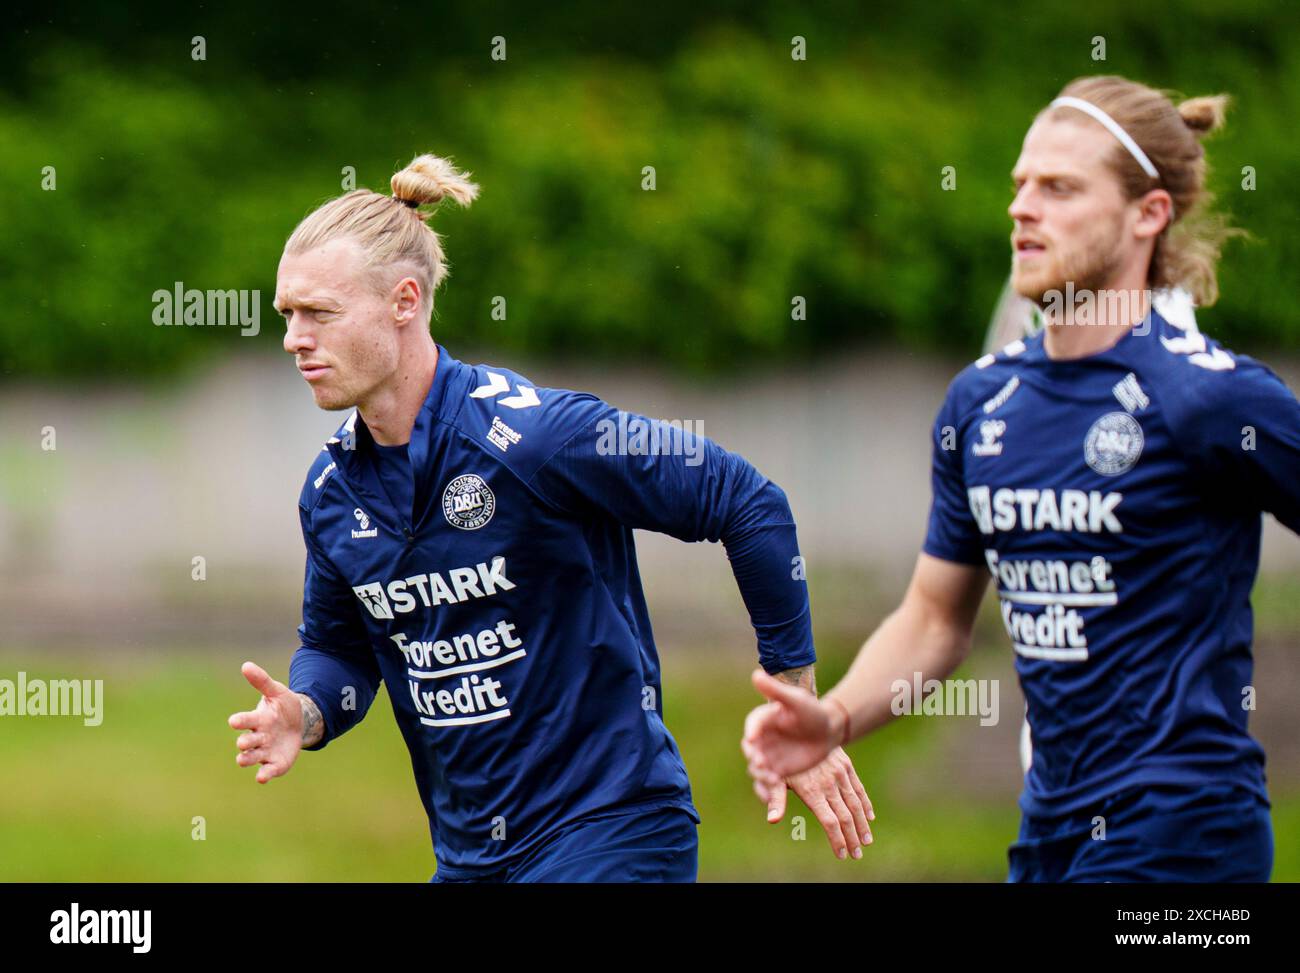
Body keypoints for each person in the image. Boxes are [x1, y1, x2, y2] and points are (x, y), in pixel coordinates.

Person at [227, 153, 872, 882]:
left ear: (404, 302)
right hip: (470, 859)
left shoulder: (536, 438)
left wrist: (795, 699)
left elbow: (746, 501)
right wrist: (307, 711)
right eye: (288, 315)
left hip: (611, 831)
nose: (295, 338)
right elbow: (339, 648)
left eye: (319, 313)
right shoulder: (331, 491)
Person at [742, 75, 1300, 882]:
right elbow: (935, 619)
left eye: (1059, 188)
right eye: (1020, 184)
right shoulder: (981, 401)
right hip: (1048, 834)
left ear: (1148, 214)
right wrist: (833, 718)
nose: (1021, 207)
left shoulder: (1210, 397)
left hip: (1184, 836)